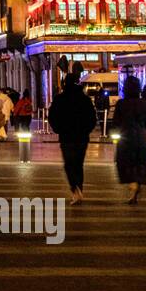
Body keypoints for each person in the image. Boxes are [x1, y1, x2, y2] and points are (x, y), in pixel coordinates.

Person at [48, 72, 96, 204]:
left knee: (69, 164)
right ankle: (79, 188)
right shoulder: (85, 99)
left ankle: (75, 189)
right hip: (82, 137)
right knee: (78, 164)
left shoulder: (59, 99)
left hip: (66, 136)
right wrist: (87, 130)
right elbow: (92, 118)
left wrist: (58, 129)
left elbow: (52, 117)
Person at [112, 76, 146, 203]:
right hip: (140, 137)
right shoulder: (144, 103)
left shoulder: (121, 104)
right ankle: (137, 184)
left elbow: (116, 122)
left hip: (125, 137)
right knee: (139, 163)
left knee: (126, 162)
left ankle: (132, 184)